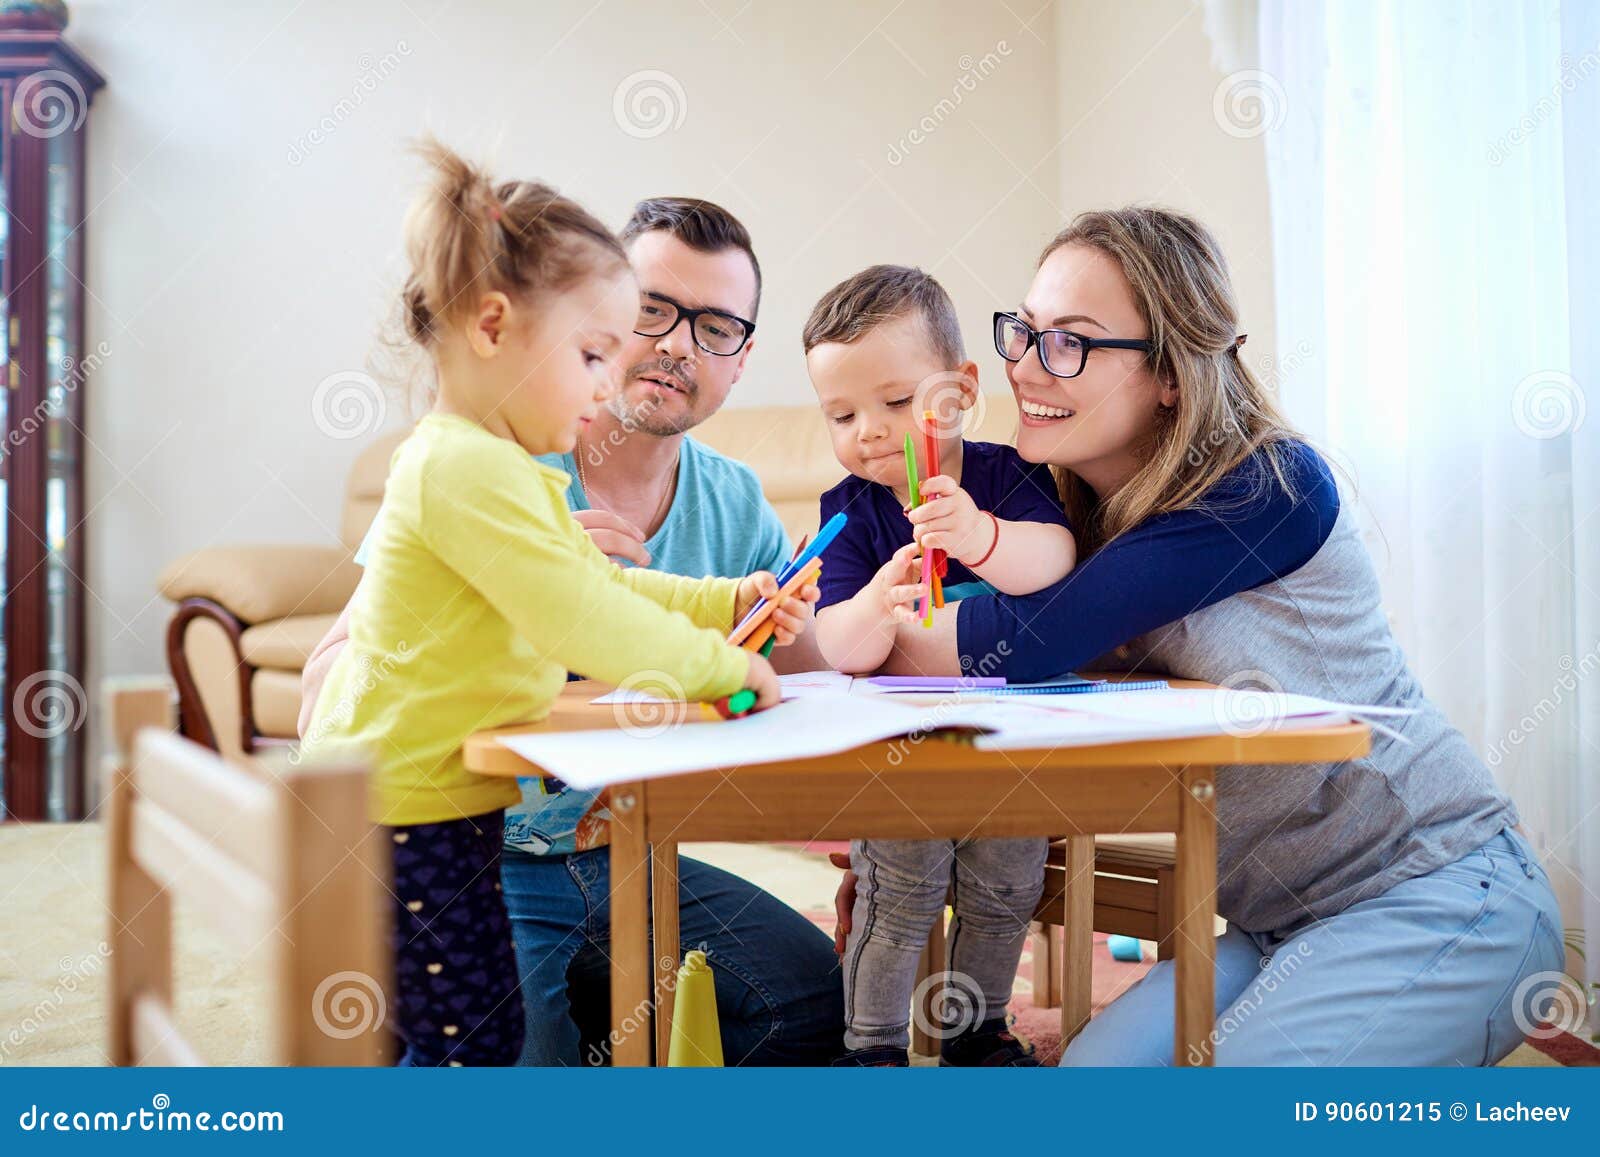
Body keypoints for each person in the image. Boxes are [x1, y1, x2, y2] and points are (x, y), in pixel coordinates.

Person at [843, 206, 1564, 1066]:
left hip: (1441, 888)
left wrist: (849, 632)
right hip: (1279, 923)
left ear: (1172, 375)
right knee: (1087, 1088)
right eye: (1025, 332)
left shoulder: (1264, 486)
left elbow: (1016, 644)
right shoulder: (1063, 514)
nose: (1028, 366)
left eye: (1068, 341)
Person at [302, 196, 845, 1066]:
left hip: (624, 850)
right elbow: (589, 615)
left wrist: (738, 606)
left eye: (714, 327)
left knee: (817, 999)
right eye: (645, 316)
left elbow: (661, 605)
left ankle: (593, 1030)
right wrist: (706, 663)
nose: (670, 346)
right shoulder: (488, 465)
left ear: (742, 360)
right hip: (460, 834)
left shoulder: (729, 497)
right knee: (482, 1048)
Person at [803, 265, 1075, 1065]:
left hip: (1010, 743)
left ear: (959, 389)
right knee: (901, 896)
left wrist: (982, 536)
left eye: (894, 402)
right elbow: (840, 647)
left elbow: (1056, 561)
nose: (870, 431)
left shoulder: (1006, 475)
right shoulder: (848, 510)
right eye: (841, 414)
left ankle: (977, 1028)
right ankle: (874, 1044)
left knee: (1006, 889)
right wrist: (874, 607)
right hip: (904, 755)